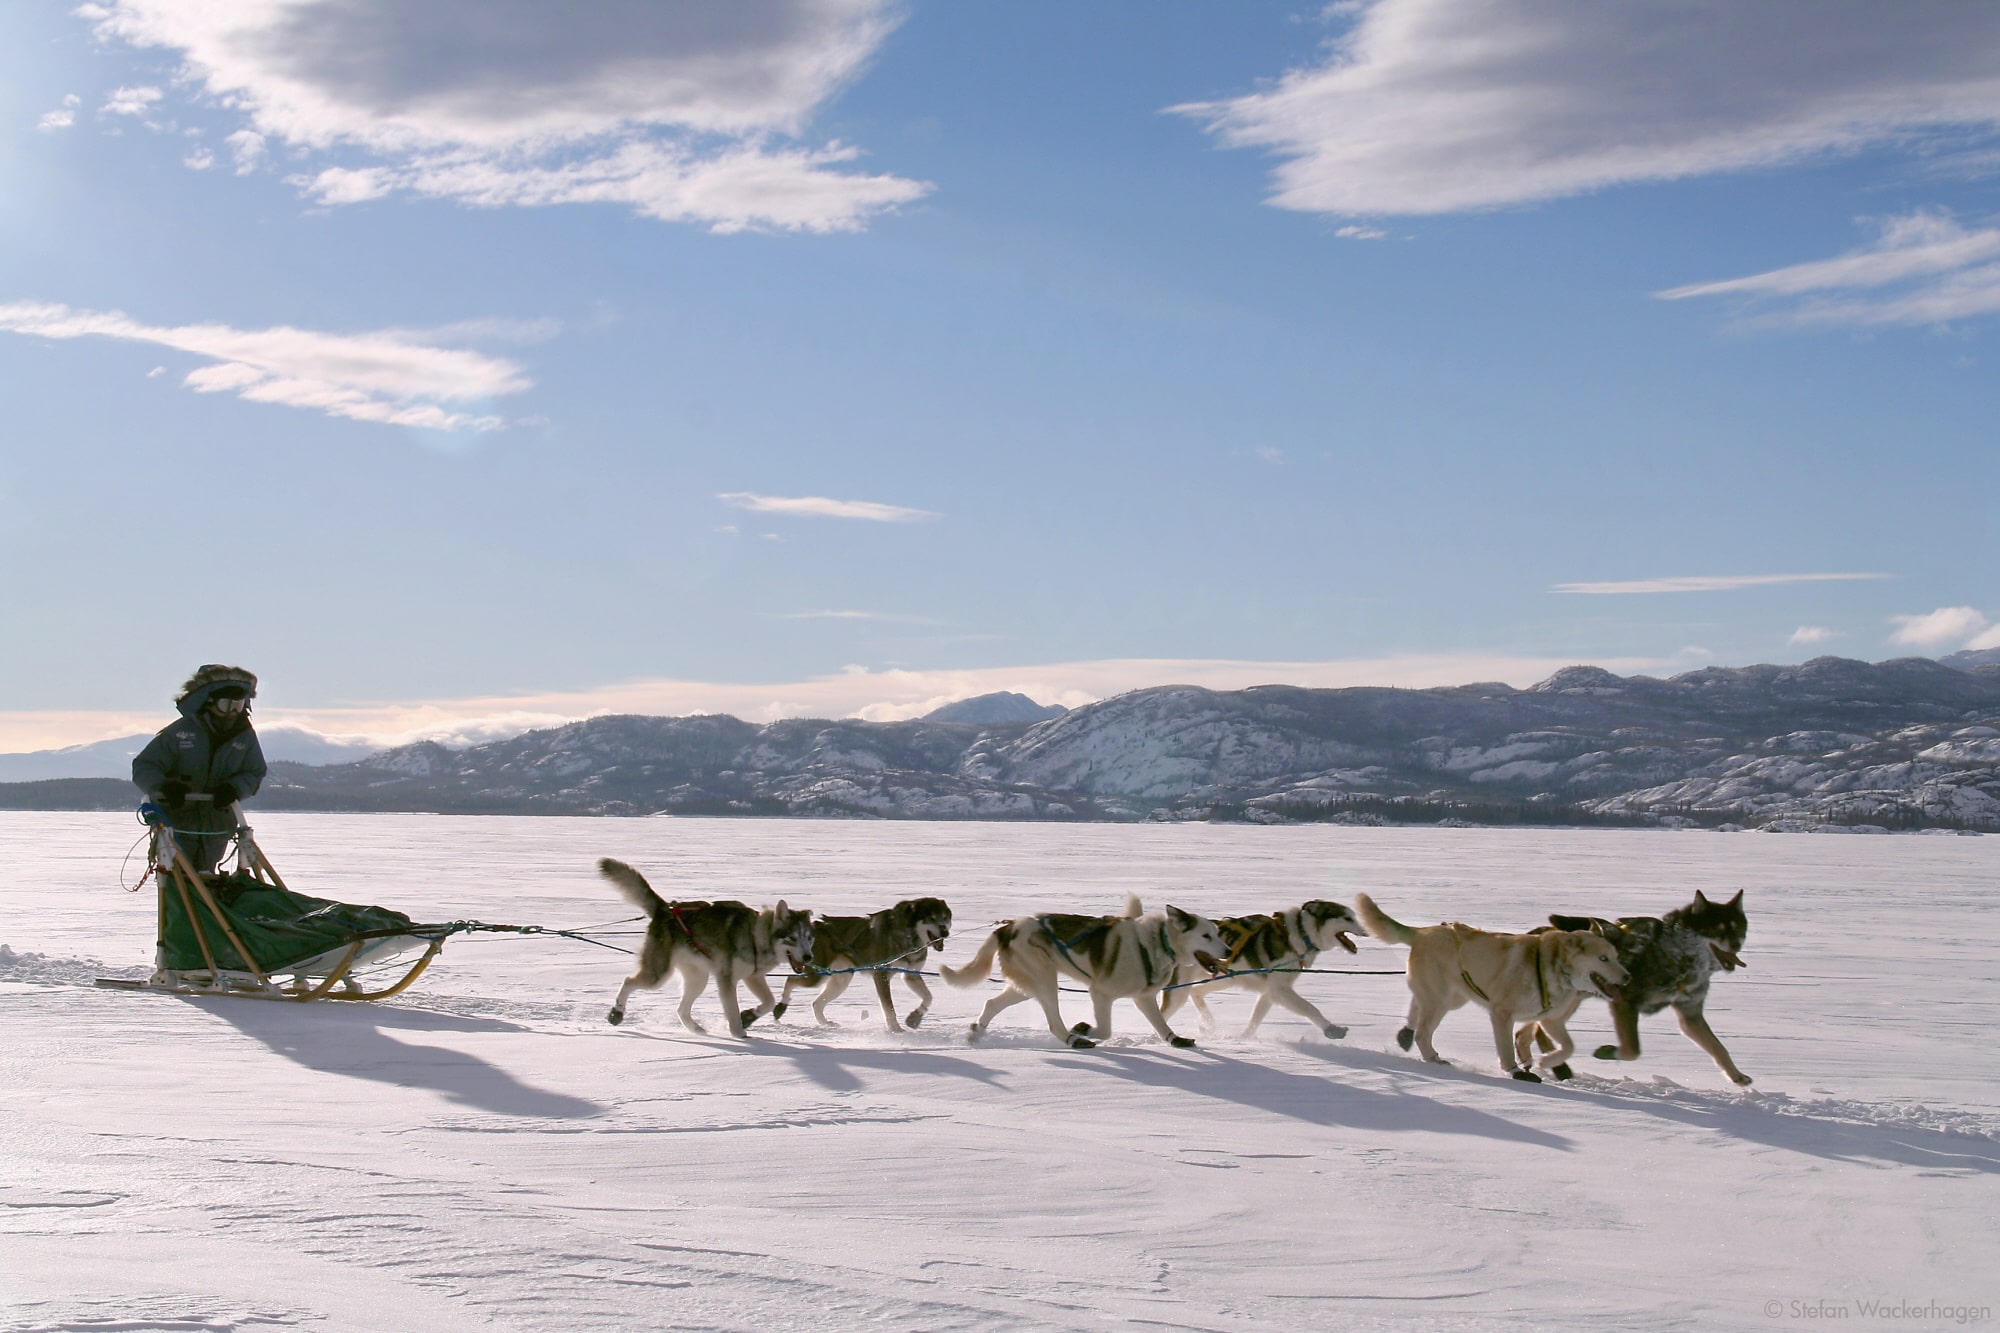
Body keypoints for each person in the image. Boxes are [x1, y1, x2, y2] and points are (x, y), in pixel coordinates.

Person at [132, 665, 268, 875]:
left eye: (238, 704)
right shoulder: (181, 732)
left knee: (208, 875)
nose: (232, 711)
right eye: (226, 704)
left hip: (218, 823)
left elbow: (254, 771)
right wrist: (164, 787)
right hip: (177, 822)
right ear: (209, 702)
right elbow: (144, 766)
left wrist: (233, 789)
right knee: (178, 876)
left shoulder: (244, 735)